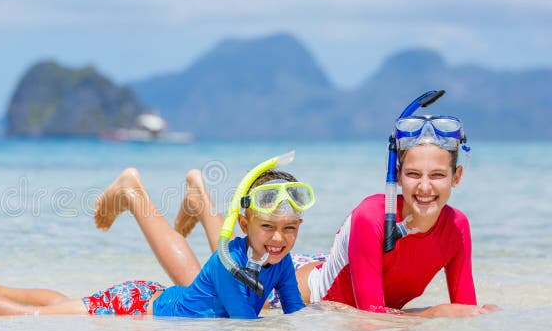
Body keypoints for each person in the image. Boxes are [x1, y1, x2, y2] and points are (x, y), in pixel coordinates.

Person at [119, 112, 497, 318]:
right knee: (204, 289)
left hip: (314, 264)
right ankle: (135, 194)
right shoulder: (371, 217)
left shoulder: (457, 228)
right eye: (413, 174)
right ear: (397, 175)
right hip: (301, 294)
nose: (425, 187)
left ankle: (201, 200)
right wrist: (432, 315)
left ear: (456, 176)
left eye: (438, 175)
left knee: (236, 253)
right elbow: (371, 317)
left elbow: (464, 311)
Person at [0, 167, 311, 318]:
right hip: (133, 307)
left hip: (149, 300)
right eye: (268, 227)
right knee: (24, 319)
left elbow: (293, 314)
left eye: (289, 229)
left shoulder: (280, 261)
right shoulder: (228, 262)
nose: (278, 239)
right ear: (244, 223)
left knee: (60, 306)